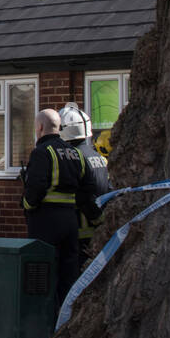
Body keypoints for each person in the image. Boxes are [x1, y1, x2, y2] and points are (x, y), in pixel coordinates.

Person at [22, 109, 90, 311]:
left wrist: (27, 205)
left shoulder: (42, 152)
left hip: (46, 221)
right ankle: (66, 317)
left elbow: (35, 188)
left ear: (40, 128)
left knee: (41, 274)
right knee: (68, 273)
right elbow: (86, 190)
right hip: (70, 221)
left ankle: (43, 319)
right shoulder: (76, 153)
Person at [58, 103, 108, 264]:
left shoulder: (74, 159)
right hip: (99, 229)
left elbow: (81, 195)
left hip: (80, 232)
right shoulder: (98, 156)